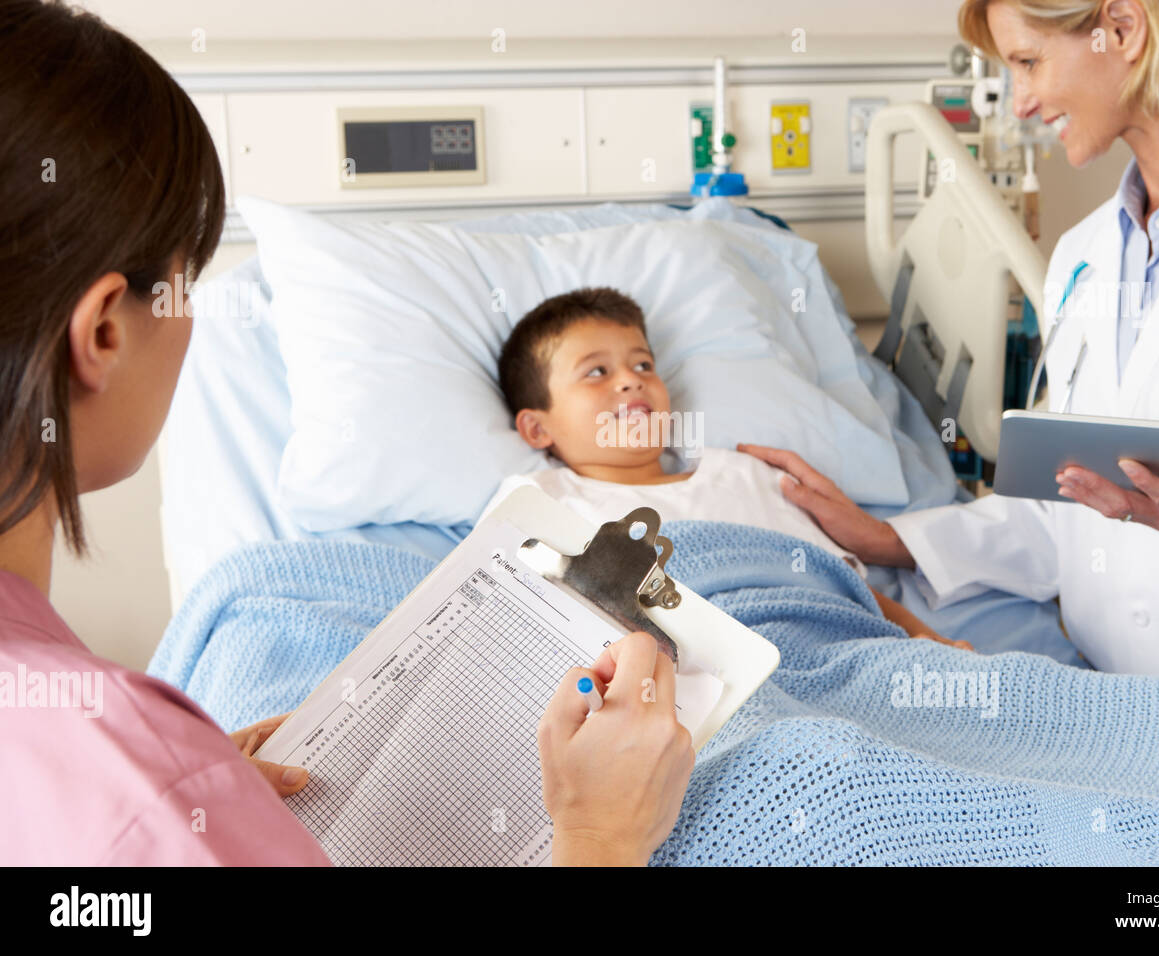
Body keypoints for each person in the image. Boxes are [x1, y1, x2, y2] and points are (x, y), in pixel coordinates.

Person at [0, 0, 691, 866]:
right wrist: (603, 835)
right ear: (105, 331)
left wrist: (204, 797)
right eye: (185, 285)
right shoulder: (133, 784)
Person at [745, 0, 1159, 704]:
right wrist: (894, 539)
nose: (1023, 101)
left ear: (1123, 28)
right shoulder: (1084, 258)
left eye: (1029, 62)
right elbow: (1071, 504)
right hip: (1113, 714)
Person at [483, 286, 973, 650]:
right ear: (536, 429)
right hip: (698, 676)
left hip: (838, 646)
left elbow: (843, 586)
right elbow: (502, 608)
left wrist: (933, 643)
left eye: (643, 365)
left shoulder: (747, 473)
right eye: (597, 372)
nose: (631, 382)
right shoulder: (542, 497)